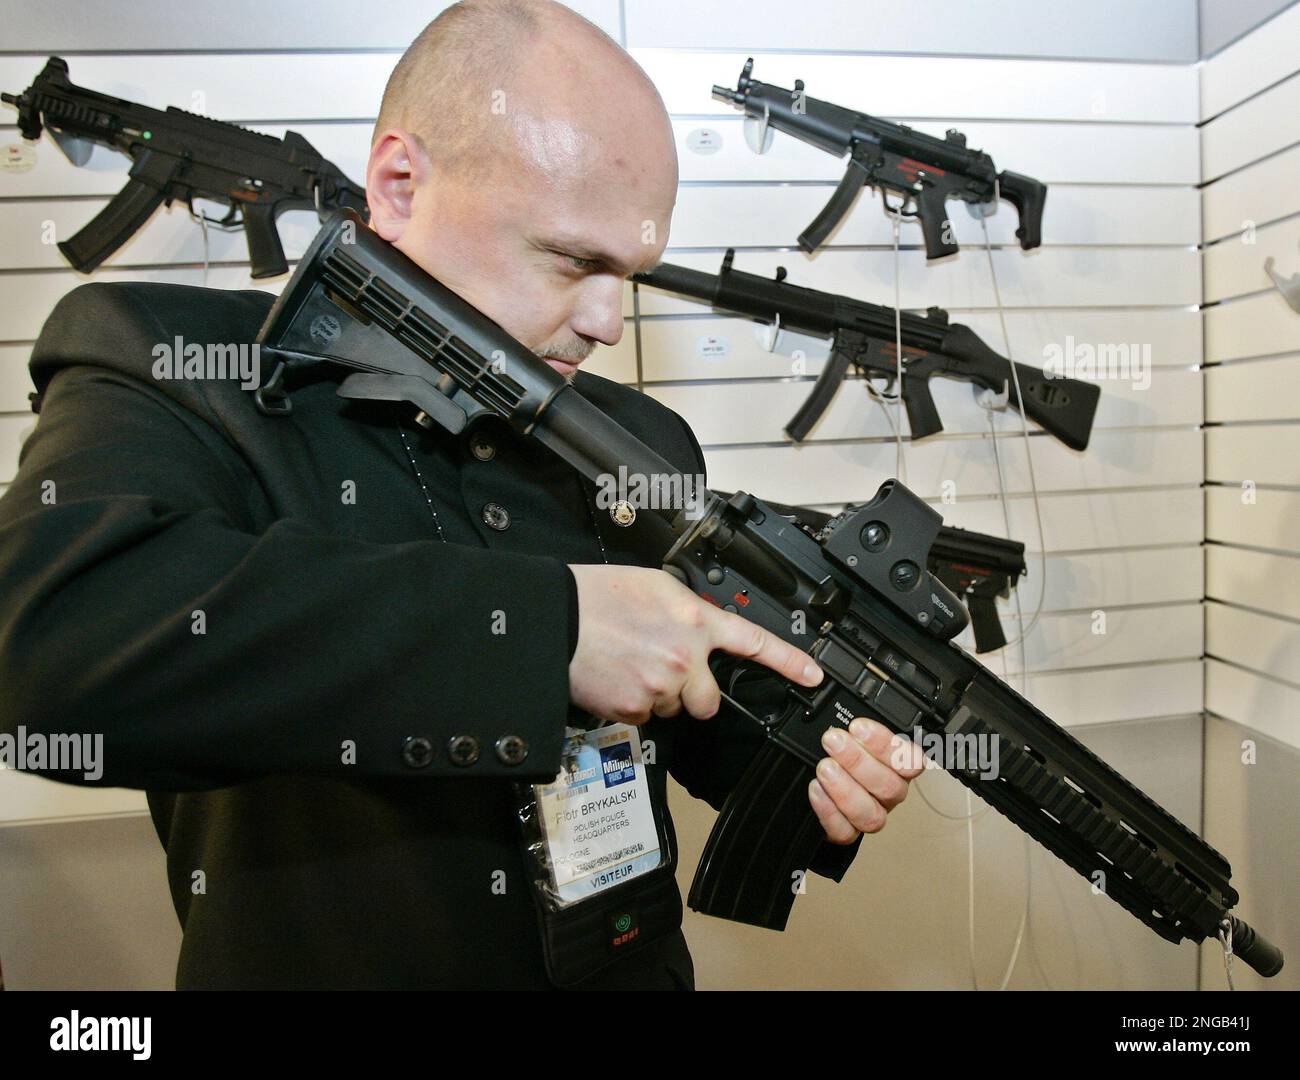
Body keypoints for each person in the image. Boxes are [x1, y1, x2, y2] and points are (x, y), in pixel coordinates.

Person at [0, 0, 924, 989]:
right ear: (398, 184)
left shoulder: (642, 441)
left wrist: (809, 748)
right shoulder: (177, 364)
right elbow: (50, 642)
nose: (609, 323)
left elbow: (689, 715)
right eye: (574, 260)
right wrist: (549, 632)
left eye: (632, 275)